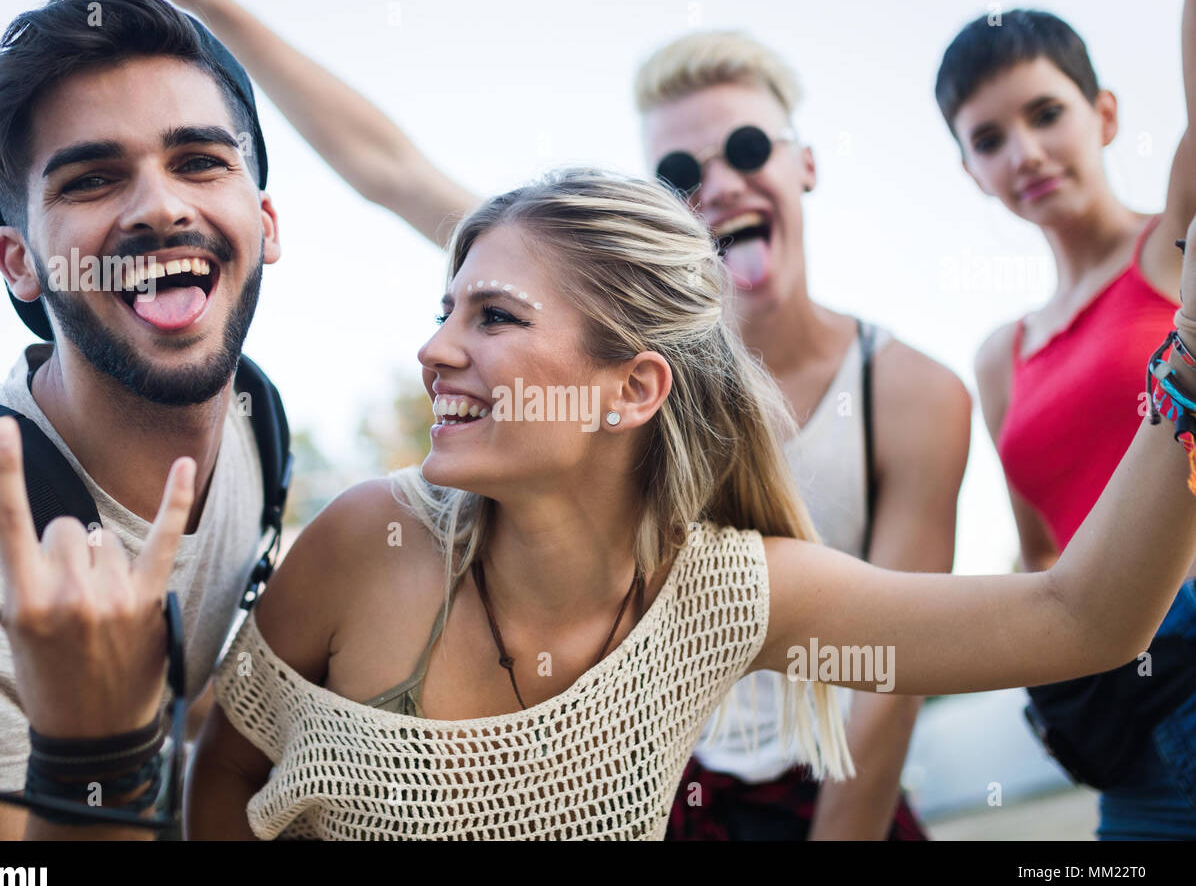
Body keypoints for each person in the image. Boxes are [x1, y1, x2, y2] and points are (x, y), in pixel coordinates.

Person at [129, 0, 972, 839]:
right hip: (649, 786)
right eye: (681, 172)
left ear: (804, 161)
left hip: (827, 782)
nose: (717, 184)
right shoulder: (550, 296)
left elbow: (895, 665)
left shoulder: (904, 390)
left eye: (748, 148)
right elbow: (386, 168)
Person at [163, 167, 1196, 839]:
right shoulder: (366, 539)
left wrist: (1187, 364)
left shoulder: (719, 594)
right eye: (445, 311)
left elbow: (1083, 616)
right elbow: (223, 776)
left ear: (633, 389)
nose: (435, 349)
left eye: (493, 316)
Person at [0, 0, 281, 840]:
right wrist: (93, 754)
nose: (160, 207)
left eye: (199, 162)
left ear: (265, 223)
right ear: (20, 263)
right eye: (92, 179)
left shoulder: (259, 423)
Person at [937, 0, 1196, 838]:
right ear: (969, 172)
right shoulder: (998, 357)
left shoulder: (1174, 248)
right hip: (1127, 717)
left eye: (1047, 113)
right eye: (989, 139)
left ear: (1106, 114)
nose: (1026, 152)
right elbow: (1041, 551)